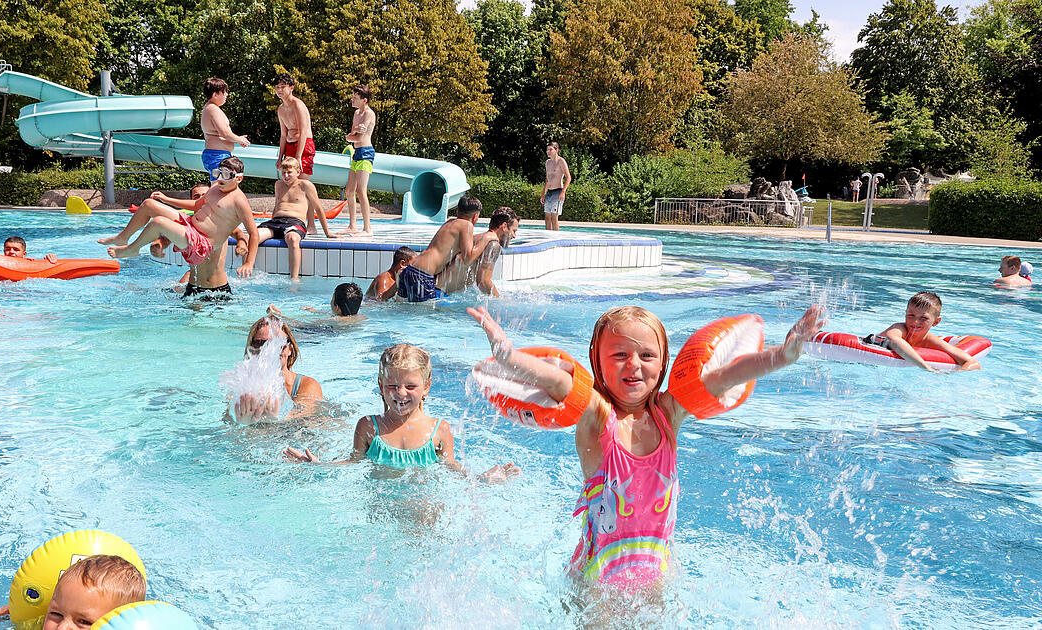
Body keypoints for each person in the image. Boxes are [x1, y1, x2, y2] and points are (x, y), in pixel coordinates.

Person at [467, 303, 825, 591]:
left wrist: (782, 356)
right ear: (597, 362)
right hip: (596, 578)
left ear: (664, 362)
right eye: (619, 354)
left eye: (647, 355)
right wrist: (509, 357)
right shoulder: (597, 416)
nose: (634, 364)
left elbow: (722, 377)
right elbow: (560, 382)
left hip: (657, 573)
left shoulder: (669, 415)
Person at [282, 344, 519, 482]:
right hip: (380, 512)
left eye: (410, 386)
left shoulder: (439, 431)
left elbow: (451, 468)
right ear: (380, 386)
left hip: (424, 512)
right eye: (392, 386)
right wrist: (320, 466)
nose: (401, 393)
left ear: (426, 387)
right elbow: (353, 463)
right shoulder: (369, 427)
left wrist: (480, 479)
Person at [101, 158, 259, 270]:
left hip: (201, 242)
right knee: (149, 204)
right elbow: (196, 205)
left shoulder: (239, 201)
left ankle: (132, 249)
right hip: (190, 225)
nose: (220, 178)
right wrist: (166, 199)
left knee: (158, 222)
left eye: (226, 175)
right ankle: (123, 237)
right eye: (218, 173)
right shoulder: (215, 189)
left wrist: (249, 263)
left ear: (239, 179)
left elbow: (254, 233)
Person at [0, 554, 146, 630]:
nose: (62, 627)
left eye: (83, 622)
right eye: (56, 614)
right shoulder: (41, 624)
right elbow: (23, 618)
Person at [236, 157, 336, 282]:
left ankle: (294, 279)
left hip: (295, 222)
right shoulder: (278, 184)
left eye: (289, 172)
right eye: (283, 173)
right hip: (275, 222)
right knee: (251, 237)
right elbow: (277, 205)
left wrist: (327, 232)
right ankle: (246, 272)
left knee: (293, 239)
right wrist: (270, 221)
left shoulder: (305, 185)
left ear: (298, 172)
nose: (286, 176)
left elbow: (319, 209)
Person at [382, 194, 486, 302]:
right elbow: (468, 258)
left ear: (457, 211)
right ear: (475, 216)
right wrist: (486, 239)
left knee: (401, 308)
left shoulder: (450, 222)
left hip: (410, 269)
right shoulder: (467, 225)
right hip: (422, 275)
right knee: (429, 311)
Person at [227, 315, 324, 423]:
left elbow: (305, 415)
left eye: (279, 344)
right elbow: (227, 420)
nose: (270, 350)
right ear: (251, 349)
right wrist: (240, 422)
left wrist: (271, 421)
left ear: (290, 349)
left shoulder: (307, 385)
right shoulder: (243, 387)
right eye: (260, 343)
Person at [865, 291, 981, 373]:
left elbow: (973, 363)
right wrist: (926, 367)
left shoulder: (930, 340)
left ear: (936, 322)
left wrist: (953, 374)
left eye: (924, 318)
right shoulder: (899, 328)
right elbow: (893, 340)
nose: (915, 322)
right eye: (911, 315)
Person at [436, 207, 519, 297]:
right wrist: (500, 300)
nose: (514, 236)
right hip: (439, 295)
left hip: (437, 289)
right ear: (504, 226)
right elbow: (483, 282)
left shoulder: (477, 238)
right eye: (514, 231)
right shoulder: (493, 244)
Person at [342, 84, 376, 236]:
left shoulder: (369, 114)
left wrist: (352, 135)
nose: (352, 100)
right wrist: (353, 132)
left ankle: (367, 228)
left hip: (366, 153)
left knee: (361, 191)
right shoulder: (356, 113)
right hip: (357, 153)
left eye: (355, 98)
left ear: (365, 100)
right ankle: (352, 225)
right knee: (349, 190)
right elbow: (351, 135)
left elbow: (359, 138)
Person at [200, 77, 250, 180]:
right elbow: (224, 133)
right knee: (220, 186)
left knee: (223, 185)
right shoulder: (212, 109)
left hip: (218, 154)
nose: (226, 95)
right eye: (224, 92)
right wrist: (239, 139)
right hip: (217, 155)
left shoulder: (210, 108)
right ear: (215, 94)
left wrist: (236, 138)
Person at [275, 73, 315, 181]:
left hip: (303, 145)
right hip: (289, 146)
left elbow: (303, 132)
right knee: (288, 180)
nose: (279, 90)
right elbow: (283, 135)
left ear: (291, 88)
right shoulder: (281, 109)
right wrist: (280, 158)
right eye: (277, 87)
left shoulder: (298, 105)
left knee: (301, 181)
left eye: (283, 87)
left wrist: (298, 156)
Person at [540, 142, 571, 231]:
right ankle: (548, 236)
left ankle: (556, 237)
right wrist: (543, 194)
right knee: (547, 217)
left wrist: (563, 192)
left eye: (551, 149)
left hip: (558, 191)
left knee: (554, 217)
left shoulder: (561, 161)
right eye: (547, 149)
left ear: (556, 150)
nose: (548, 151)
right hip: (549, 192)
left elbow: (568, 177)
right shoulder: (547, 162)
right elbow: (547, 179)